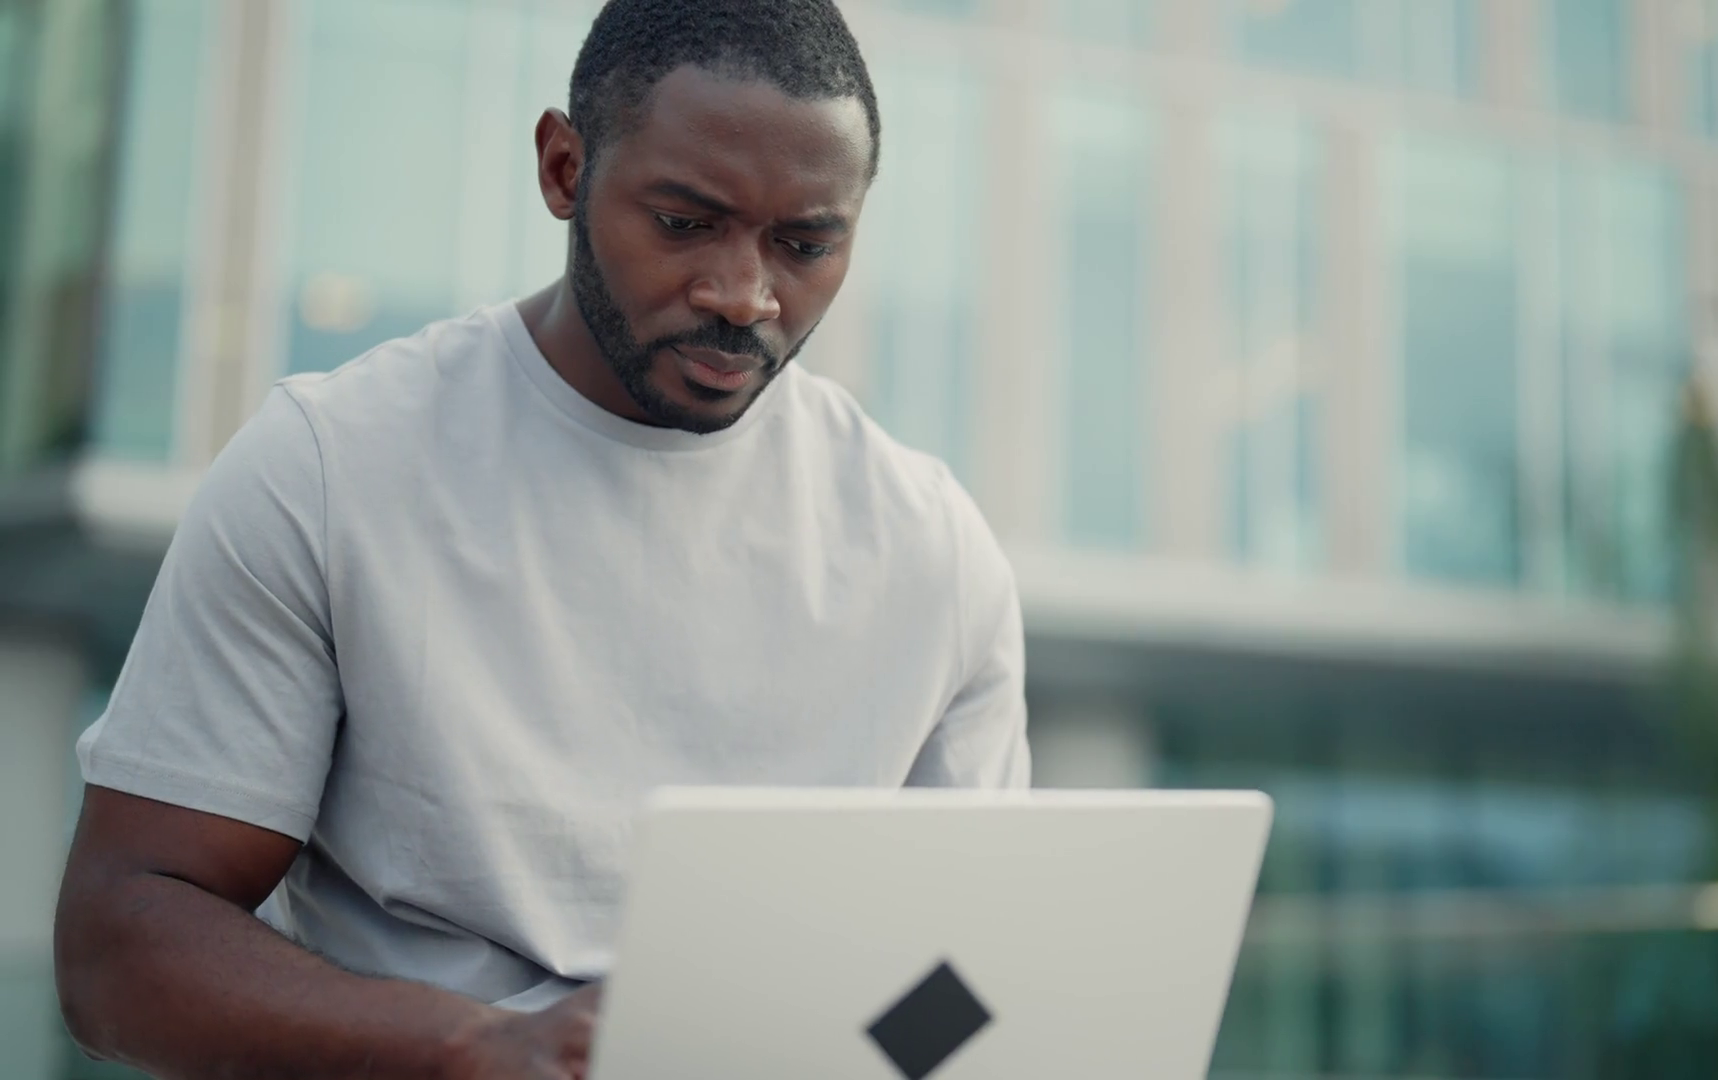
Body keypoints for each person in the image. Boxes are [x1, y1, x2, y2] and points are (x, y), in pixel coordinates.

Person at [53, 1, 1029, 1076]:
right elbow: (116, 946)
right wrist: (478, 1050)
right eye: (685, 222)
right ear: (565, 168)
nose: (742, 295)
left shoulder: (933, 549)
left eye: (805, 244)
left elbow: (972, 966)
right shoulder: (332, 466)